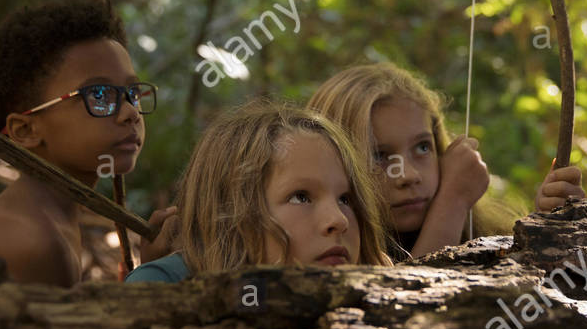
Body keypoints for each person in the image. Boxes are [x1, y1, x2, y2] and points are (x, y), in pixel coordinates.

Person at [0, 0, 156, 286]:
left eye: (132, 93)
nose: (130, 112)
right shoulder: (34, 241)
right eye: (99, 95)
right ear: (25, 130)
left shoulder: (50, 217)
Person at [308, 63, 584, 259]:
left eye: (423, 147)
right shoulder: (331, 253)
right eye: (378, 155)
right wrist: (452, 202)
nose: (408, 175)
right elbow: (409, 307)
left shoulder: (485, 234)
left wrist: (544, 228)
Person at [127, 101, 391, 282]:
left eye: (345, 199)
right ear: (228, 214)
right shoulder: (161, 288)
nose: (339, 220)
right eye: (301, 197)